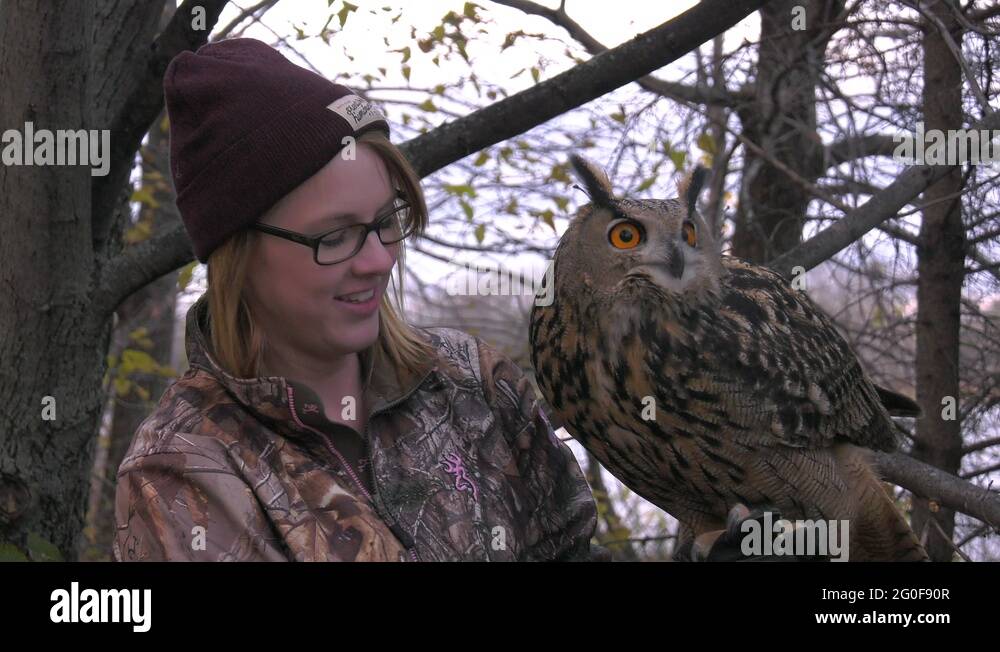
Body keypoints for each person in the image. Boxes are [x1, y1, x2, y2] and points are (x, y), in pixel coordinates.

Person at [112, 37, 765, 563]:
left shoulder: (472, 383)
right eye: (334, 237)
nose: (377, 259)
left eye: (385, 221)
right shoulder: (184, 477)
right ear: (238, 254)